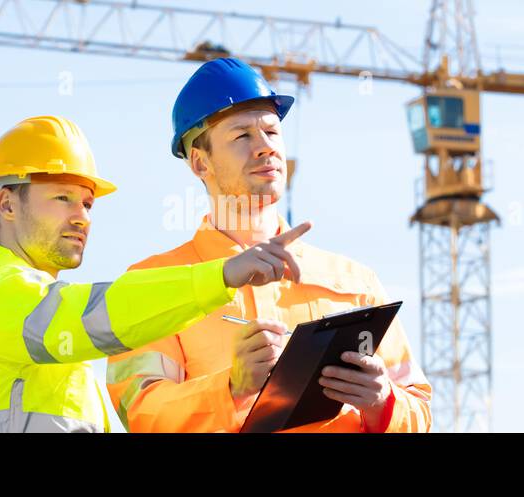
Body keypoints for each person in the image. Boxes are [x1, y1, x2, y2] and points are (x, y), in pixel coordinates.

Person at [0, 115, 311, 433]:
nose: (81, 217)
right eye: (62, 197)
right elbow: (99, 313)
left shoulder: (61, 359)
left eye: (88, 203)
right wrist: (222, 276)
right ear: (7, 204)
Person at [106, 59, 432, 432]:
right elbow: (142, 414)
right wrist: (231, 388)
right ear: (199, 163)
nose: (265, 148)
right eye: (242, 136)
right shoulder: (152, 284)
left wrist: (382, 400)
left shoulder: (356, 281)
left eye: (272, 133)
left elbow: (420, 411)